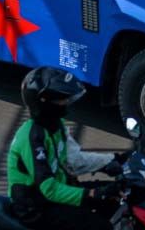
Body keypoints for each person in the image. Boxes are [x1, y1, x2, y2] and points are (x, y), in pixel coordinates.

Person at [7, 67, 126, 230]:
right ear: (45, 102)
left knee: (117, 199)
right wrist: (92, 195)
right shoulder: (32, 138)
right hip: (36, 207)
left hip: (57, 192)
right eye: (62, 99)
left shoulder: (56, 126)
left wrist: (114, 159)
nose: (66, 102)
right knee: (100, 227)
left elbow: (74, 160)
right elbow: (48, 189)